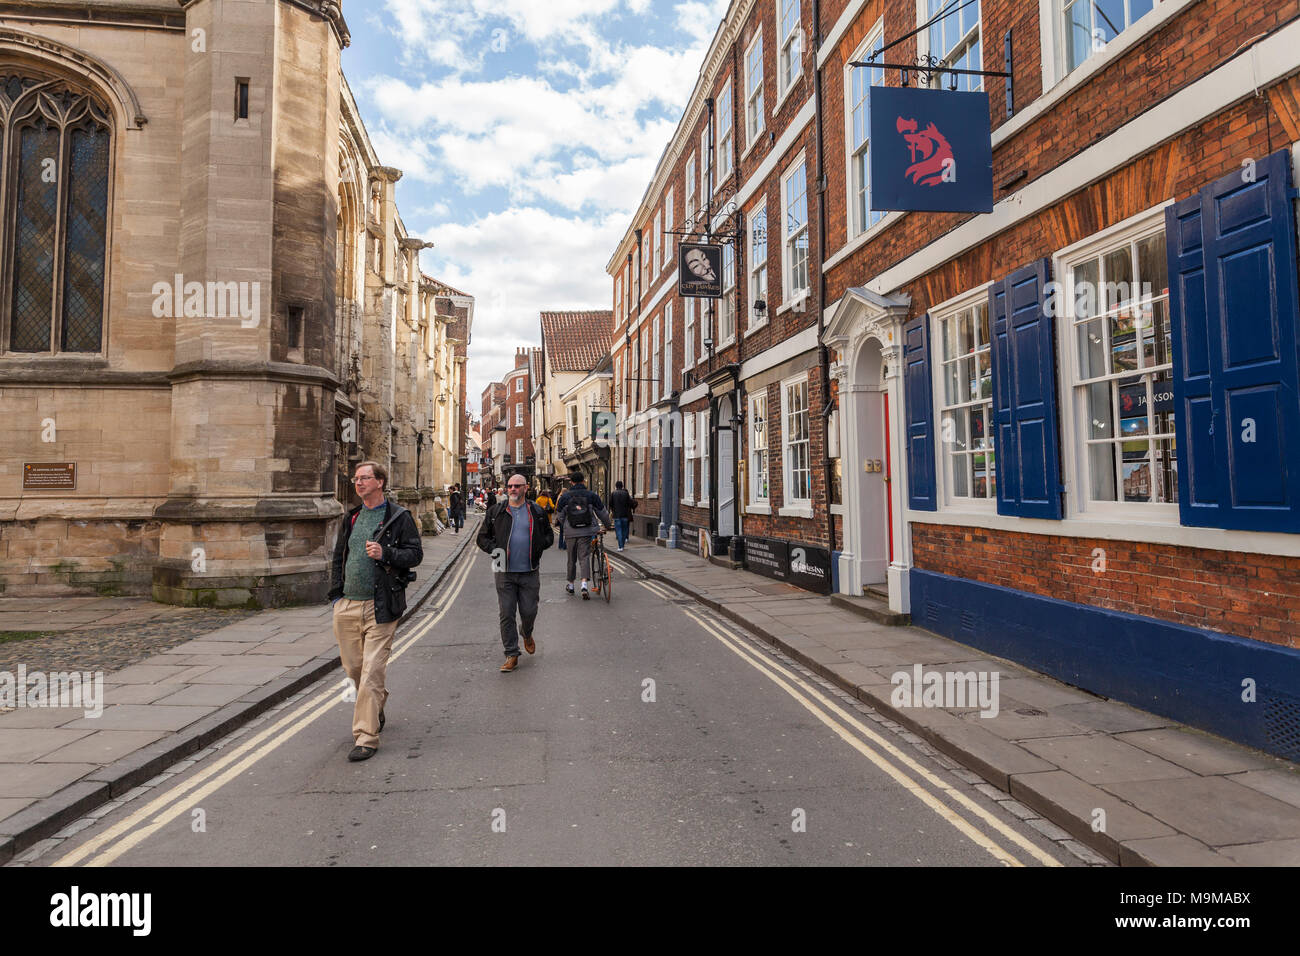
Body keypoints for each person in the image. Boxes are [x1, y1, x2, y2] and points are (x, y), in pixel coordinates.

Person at [328, 460, 423, 762]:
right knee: (354, 669)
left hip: (381, 606)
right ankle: (376, 702)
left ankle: (366, 737)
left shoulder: (398, 517)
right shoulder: (352, 517)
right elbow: (339, 556)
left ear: (380, 482)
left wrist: (387, 554)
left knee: (370, 672)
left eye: (365, 478)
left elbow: (415, 554)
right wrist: (335, 595)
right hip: (347, 604)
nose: (358, 483)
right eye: (356, 479)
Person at [477, 473, 553, 673]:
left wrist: (537, 547)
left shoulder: (536, 511)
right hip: (504, 569)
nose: (512, 489)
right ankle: (511, 653)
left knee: (529, 611)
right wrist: (497, 551)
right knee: (506, 613)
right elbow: (482, 538)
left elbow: (549, 536)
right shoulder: (496, 511)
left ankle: (526, 633)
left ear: (525, 488)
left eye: (517, 486)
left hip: (529, 569)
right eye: (510, 486)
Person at [554, 470, 612, 599]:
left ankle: (570, 585)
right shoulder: (591, 495)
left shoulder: (565, 497)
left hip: (570, 532)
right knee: (584, 557)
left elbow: (560, 516)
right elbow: (602, 513)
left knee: (571, 559)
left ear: (572, 482)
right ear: (584, 481)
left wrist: (567, 525)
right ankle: (584, 585)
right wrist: (607, 525)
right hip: (586, 531)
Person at [608, 480, 636, 552]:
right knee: (624, 531)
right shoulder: (626, 494)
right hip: (625, 515)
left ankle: (620, 546)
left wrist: (613, 510)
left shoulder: (613, 493)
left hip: (617, 515)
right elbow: (630, 503)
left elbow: (610, 504)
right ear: (622, 486)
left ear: (616, 486)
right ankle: (622, 545)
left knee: (619, 531)